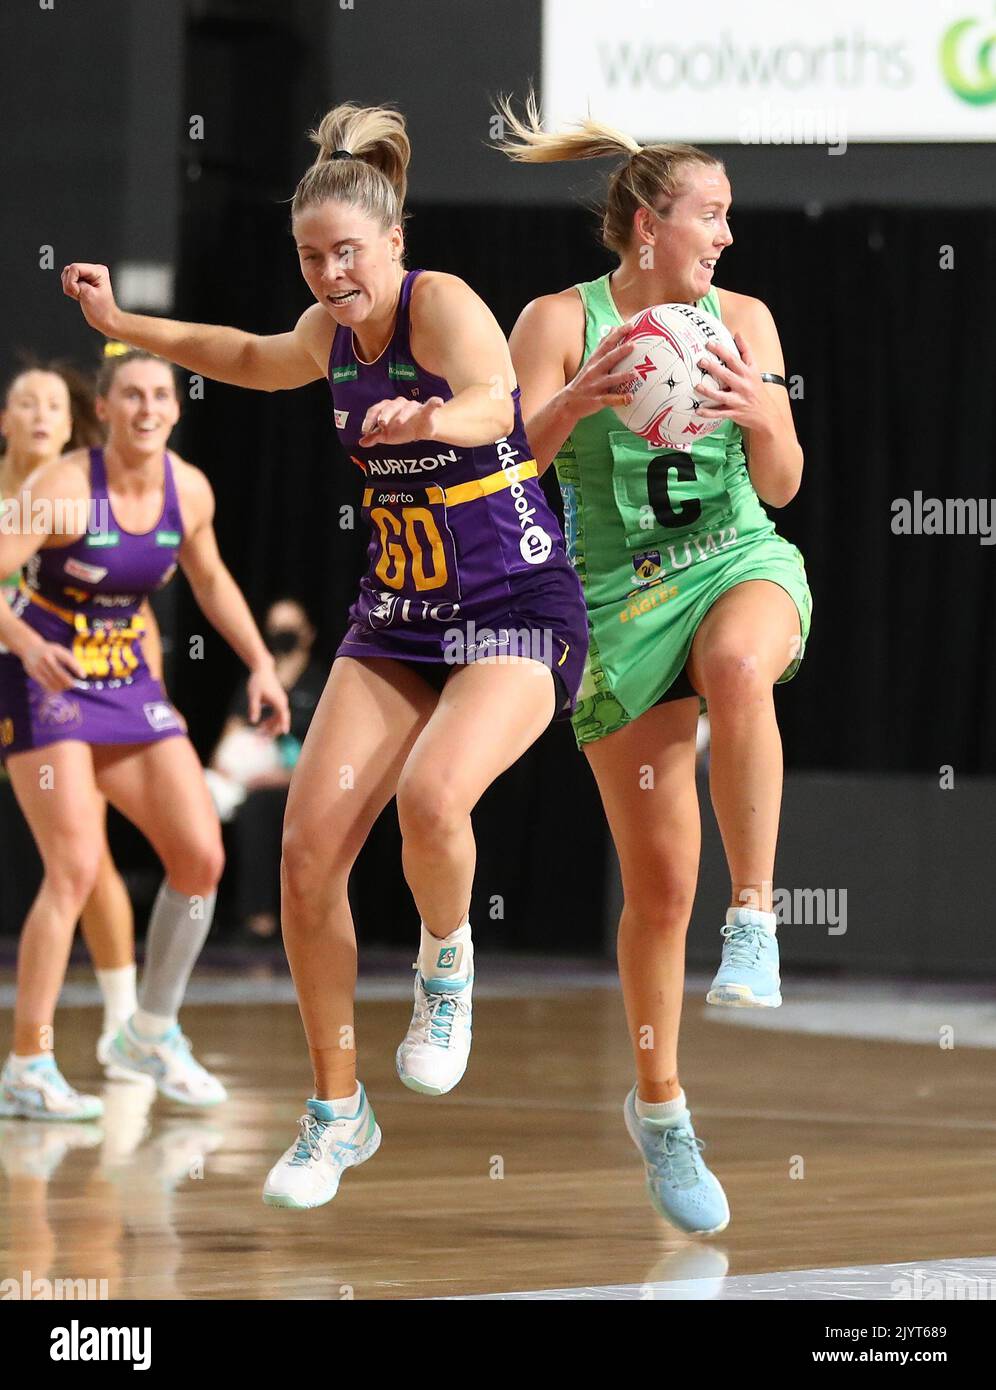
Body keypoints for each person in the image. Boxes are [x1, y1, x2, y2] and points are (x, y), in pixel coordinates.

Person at [62, 100, 589, 1208]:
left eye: (346, 251)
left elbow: (494, 394)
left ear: (394, 243)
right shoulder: (324, 335)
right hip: (397, 616)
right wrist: (128, 323)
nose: (329, 272)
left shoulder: (438, 304)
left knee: (435, 799)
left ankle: (446, 966)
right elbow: (246, 356)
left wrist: (434, 423)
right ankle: (336, 1111)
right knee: (305, 856)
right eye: (310, 256)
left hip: (512, 604)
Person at [500, 97, 813, 1234]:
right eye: (709, 213)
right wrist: (576, 398)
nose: (726, 232)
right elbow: (503, 470)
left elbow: (780, 486)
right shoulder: (556, 320)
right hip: (617, 600)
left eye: (727, 213)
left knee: (740, 668)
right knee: (655, 891)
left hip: (736, 555)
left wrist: (758, 416)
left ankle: (757, 916)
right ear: (646, 222)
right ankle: (662, 1107)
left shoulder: (745, 318)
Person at [0, 349, 289, 1120]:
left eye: (161, 394)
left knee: (200, 855)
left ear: (176, 406)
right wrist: (26, 646)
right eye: (131, 395)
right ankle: (27, 1062)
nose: (147, 407)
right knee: (73, 867)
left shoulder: (186, 489)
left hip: (128, 682)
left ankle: (149, 1031)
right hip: (46, 680)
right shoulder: (61, 488)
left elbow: (211, 578)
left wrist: (261, 663)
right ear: (103, 409)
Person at [0, 360, 166, 1075]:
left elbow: (134, 614)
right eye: (25, 403)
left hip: (67, 692)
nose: (41, 415)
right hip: (21, 676)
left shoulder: (87, 500)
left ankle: (123, 1028)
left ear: (74, 427)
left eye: (54, 408)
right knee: (73, 862)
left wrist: (150, 696)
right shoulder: (25, 506)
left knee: (83, 856)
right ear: (5, 419)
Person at [208, 597, 325, 941]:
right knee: (210, 803)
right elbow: (227, 743)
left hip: (304, 782)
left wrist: (287, 776)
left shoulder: (323, 683)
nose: (282, 635)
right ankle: (216, 913)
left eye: (289, 628)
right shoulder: (257, 682)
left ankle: (278, 920)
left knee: (262, 808)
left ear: (308, 633)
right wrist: (230, 769)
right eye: (275, 628)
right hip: (250, 780)